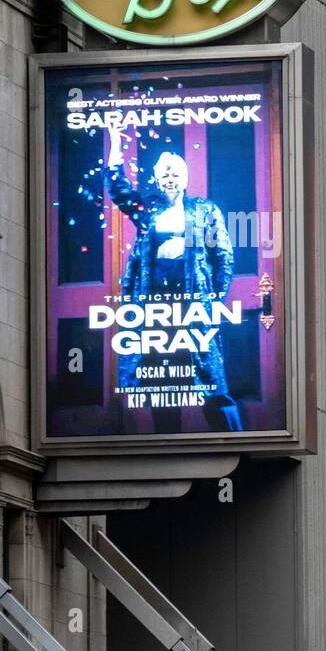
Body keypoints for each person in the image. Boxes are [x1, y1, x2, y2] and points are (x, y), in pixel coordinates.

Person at [105, 122, 242, 433]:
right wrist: (115, 142)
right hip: (156, 306)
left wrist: (214, 301)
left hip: (195, 305)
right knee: (162, 380)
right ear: (156, 178)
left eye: (176, 173)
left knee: (211, 378)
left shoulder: (204, 209)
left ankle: (233, 441)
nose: (170, 177)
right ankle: (167, 445)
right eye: (165, 173)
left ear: (185, 179)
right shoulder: (147, 208)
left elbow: (224, 257)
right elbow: (118, 189)